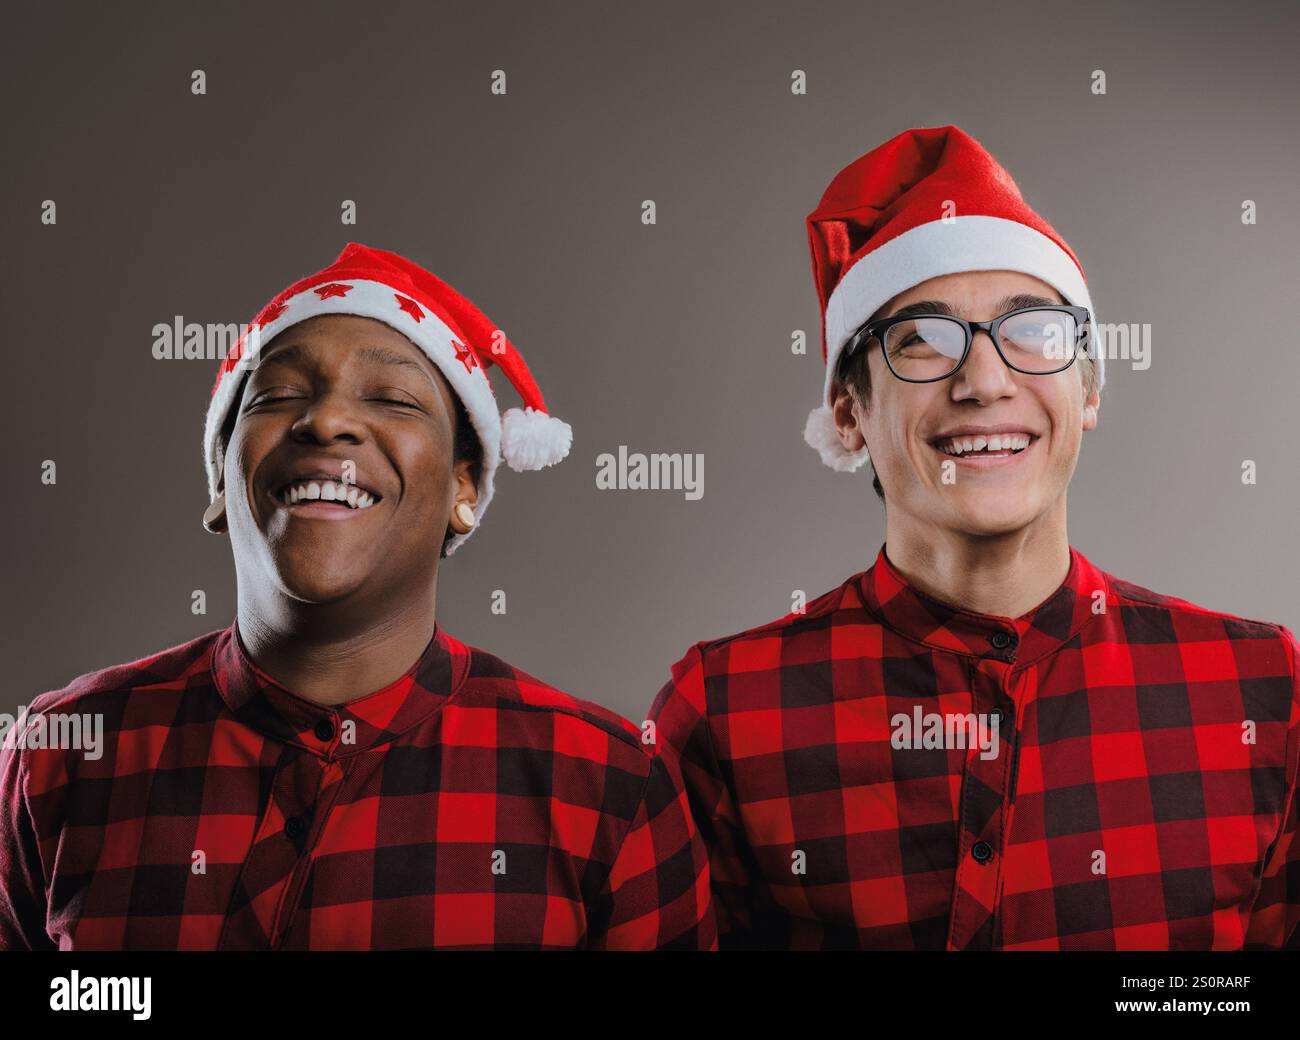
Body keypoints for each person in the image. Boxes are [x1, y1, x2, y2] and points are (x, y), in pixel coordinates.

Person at [649, 126, 1299, 950]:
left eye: (1032, 331)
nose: (986, 381)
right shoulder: (722, 711)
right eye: (923, 341)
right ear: (848, 415)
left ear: (1089, 390)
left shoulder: (1260, 690)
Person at [0, 243, 715, 950]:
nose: (327, 422)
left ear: (466, 490)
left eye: (394, 399)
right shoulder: (56, 755)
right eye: (278, 395)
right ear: (220, 479)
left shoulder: (609, 789)